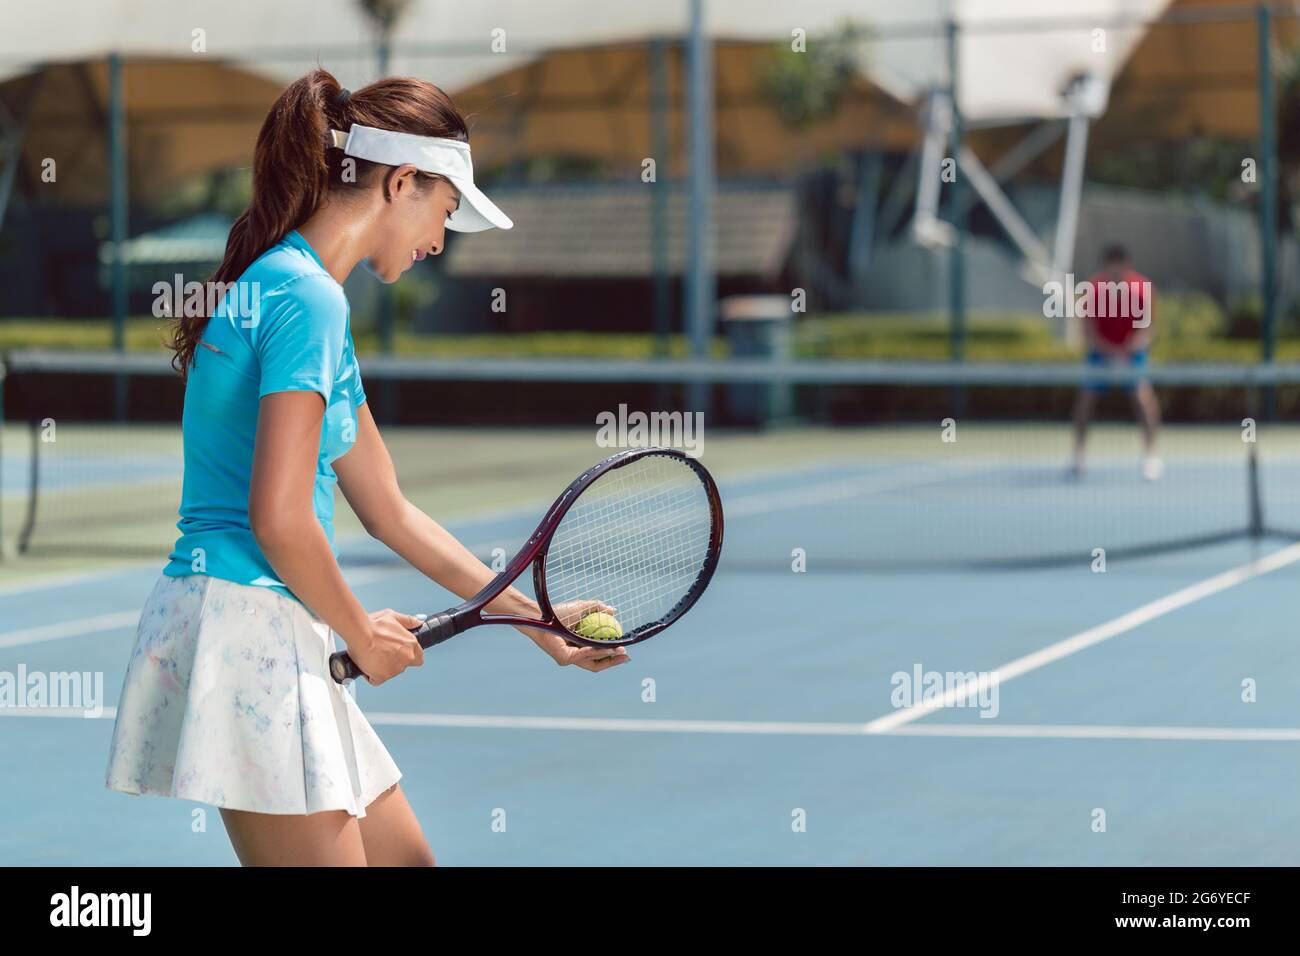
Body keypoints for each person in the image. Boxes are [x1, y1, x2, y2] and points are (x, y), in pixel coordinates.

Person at [105, 70, 628, 866]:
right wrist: (362, 633)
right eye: (445, 212)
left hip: (258, 622)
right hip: (248, 627)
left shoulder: (296, 293)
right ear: (402, 181)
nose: (439, 241)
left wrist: (535, 621)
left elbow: (388, 509)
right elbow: (278, 520)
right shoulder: (308, 300)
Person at [1071, 244, 1162, 481]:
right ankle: (1079, 455)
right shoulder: (1092, 289)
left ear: (1127, 268)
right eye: (1110, 271)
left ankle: (1151, 455)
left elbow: (1148, 328)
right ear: (1104, 269)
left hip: (1132, 355)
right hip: (1101, 354)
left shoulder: (1143, 289)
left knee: (1144, 399)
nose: (1114, 276)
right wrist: (1110, 352)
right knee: (1085, 400)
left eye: (1118, 271)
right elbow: (1088, 332)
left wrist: (1130, 349)